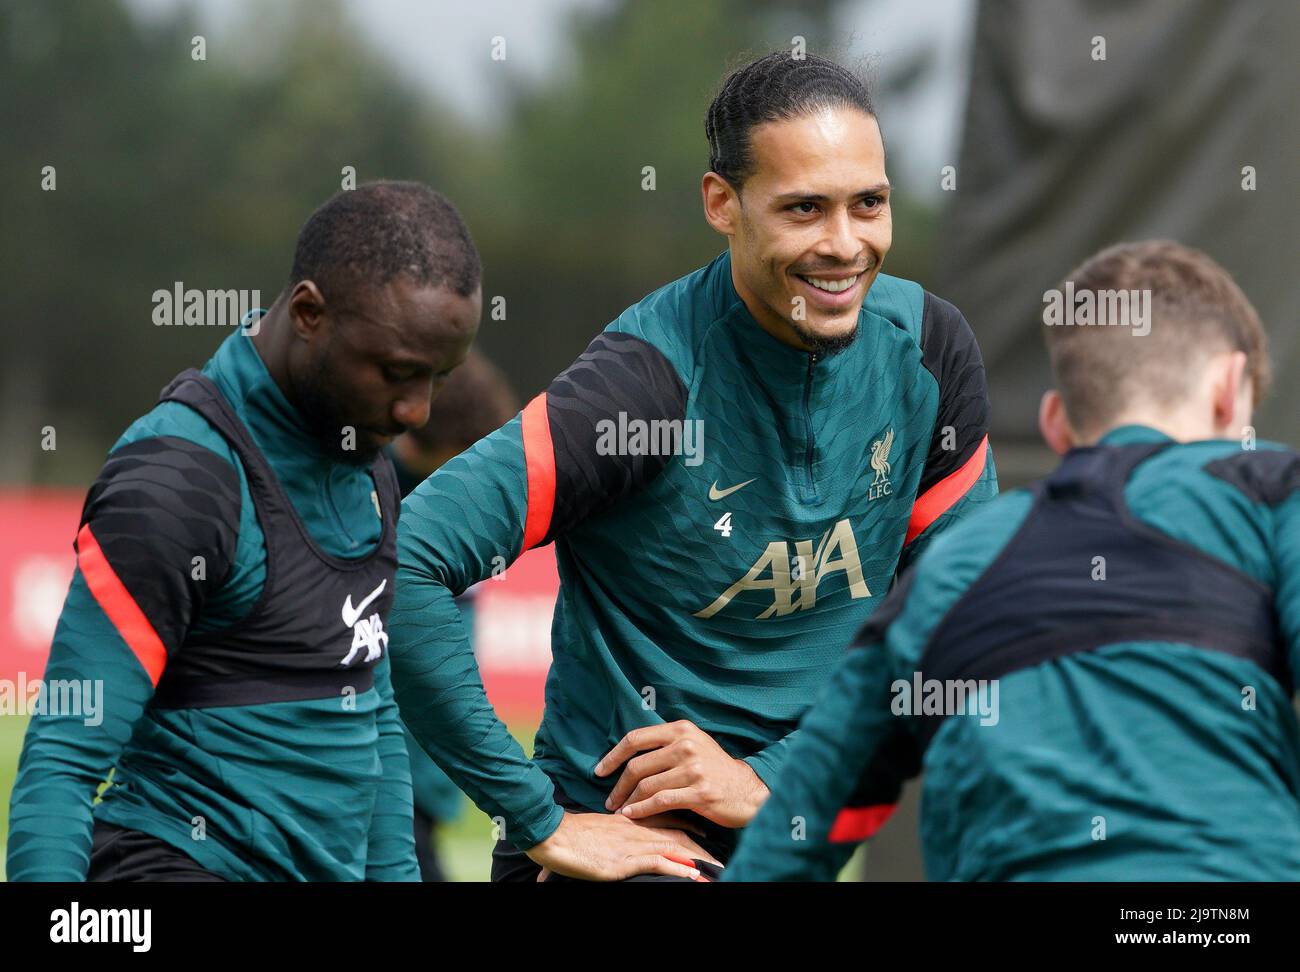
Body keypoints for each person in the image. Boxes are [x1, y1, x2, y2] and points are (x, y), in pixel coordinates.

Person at [388, 52, 998, 882]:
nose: (845, 244)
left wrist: (770, 783)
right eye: (804, 209)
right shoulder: (643, 385)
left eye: (870, 204)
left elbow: (961, 623)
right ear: (723, 204)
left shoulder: (929, 351)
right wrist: (538, 820)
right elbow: (408, 558)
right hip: (629, 857)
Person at [725, 239, 1300, 881]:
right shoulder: (1273, 493)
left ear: (1057, 425)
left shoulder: (942, 577)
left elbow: (798, 838)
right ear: (1229, 391)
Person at [6, 181, 481, 881]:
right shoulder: (177, 483)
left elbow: (372, 717)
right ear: (310, 313)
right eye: (397, 373)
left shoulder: (370, 467)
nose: (418, 411)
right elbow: (63, 762)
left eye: (440, 377)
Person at [387, 350, 520, 881]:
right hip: (388, 787)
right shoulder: (368, 498)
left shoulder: (457, 508)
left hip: (426, 786)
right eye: (471, 457)